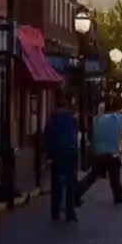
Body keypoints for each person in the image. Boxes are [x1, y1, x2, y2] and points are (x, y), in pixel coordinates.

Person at [76, 96, 122, 205]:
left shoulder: (100, 118)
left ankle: (118, 195)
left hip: (99, 150)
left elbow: (93, 132)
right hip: (112, 152)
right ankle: (118, 196)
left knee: (94, 175)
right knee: (114, 174)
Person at [43, 90, 81, 222]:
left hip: (57, 154)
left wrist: (49, 154)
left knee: (56, 185)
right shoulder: (72, 118)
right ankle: (70, 213)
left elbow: (47, 136)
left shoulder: (53, 117)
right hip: (69, 154)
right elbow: (74, 137)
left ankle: (55, 212)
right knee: (70, 185)